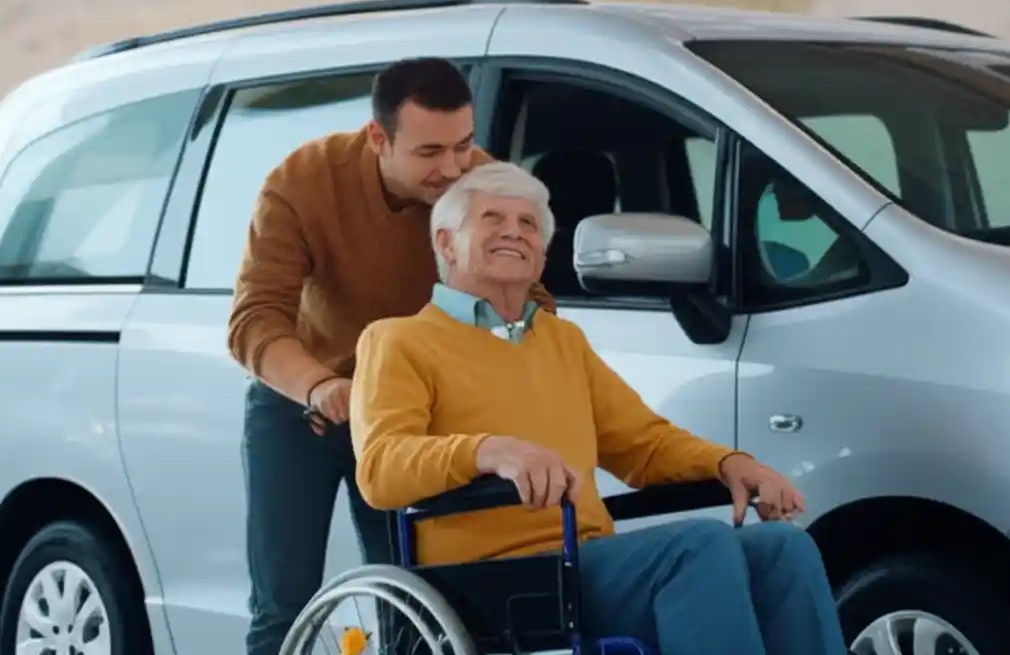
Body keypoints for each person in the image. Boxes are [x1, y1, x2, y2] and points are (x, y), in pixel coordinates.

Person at [348, 162, 847, 655]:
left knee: (784, 548)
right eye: (492, 219)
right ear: (445, 243)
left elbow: (642, 445)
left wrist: (728, 463)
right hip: (493, 575)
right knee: (698, 547)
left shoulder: (561, 339)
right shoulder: (399, 341)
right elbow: (380, 468)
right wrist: (488, 451)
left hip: (583, 562)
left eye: (528, 224)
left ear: (542, 252)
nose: (513, 233)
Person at [226, 58, 557, 655]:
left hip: (412, 416)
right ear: (378, 137)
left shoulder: (482, 188)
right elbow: (254, 320)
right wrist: (322, 386)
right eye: (430, 152)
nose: (452, 169)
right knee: (283, 602)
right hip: (303, 404)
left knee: (417, 599)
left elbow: (531, 308)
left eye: (463, 145)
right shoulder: (301, 182)